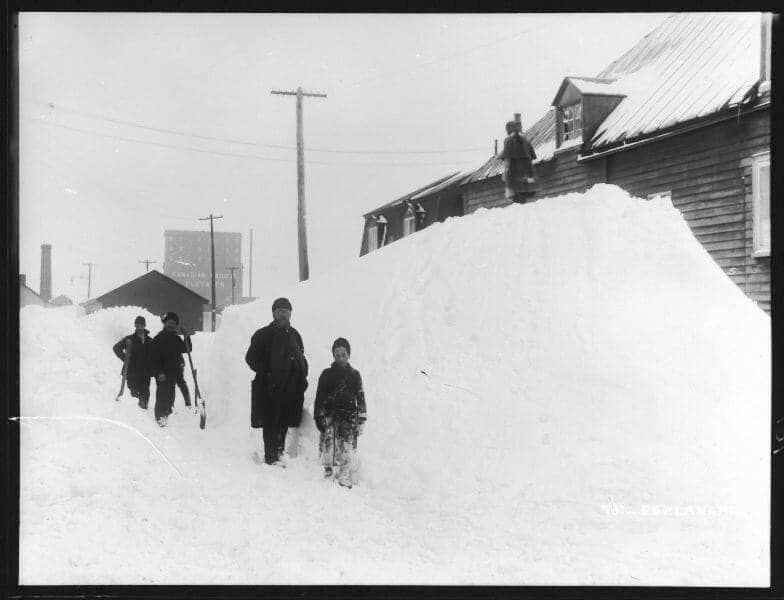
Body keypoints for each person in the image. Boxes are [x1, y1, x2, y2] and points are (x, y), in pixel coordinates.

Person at [245, 298, 309, 466]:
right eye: (279, 310)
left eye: (286, 311)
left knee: (283, 420)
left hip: (289, 387)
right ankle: (271, 456)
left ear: (290, 313)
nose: (283, 313)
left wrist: (299, 377)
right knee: (270, 421)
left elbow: (300, 358)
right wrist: (266, 372)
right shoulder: (263, 334)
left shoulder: (295, 335)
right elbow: (250, 358)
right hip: (268, 387)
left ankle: (279, 451)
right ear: (273, 313)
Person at [313, 338, 367, 489]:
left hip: (348, 417)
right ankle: (327, 470)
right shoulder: (326, 374)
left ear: (348, 355)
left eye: (344, 354)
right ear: (333, 355)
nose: (340, 357)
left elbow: (360, 396)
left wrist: (361, 418)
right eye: (337, 354)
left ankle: (344, 473)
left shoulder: (355, 375)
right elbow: (319, 397)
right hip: (330, 415)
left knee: (346, 446)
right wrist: (318, 416)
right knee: (328, 443)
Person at [150, 312, 192, 427]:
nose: (171, 325)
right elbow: (153, 359)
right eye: (169, 322)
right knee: (162, 396)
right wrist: (159, 372)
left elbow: (187, 349)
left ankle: (166, 415)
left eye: (174, 323)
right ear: (165, 323)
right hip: (162, 374)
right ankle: (159, 418)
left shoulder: (176, 339)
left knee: (170, 396)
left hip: (174, 372)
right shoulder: (158, 339)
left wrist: (186, 336)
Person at [112, 315, 154, 410]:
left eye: (141, 325)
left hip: (145, 371)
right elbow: (116, 348)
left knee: (145, 390)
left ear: (144, 326)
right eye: (137, 325)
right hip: (132, 371)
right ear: (135, 325)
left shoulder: (150, 341)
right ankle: (136, 411)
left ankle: (144, 409)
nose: (139, 327)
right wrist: (126, 359)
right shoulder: (129, 339)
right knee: (134, 391)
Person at [499, 119, 537, 204]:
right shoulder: (525, 140)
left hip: (515, 171)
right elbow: (532, 156)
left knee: (514, 194)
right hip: (527, 171)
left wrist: (505, 172)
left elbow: (507, 159)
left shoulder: (509, 140)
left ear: (508, 130)